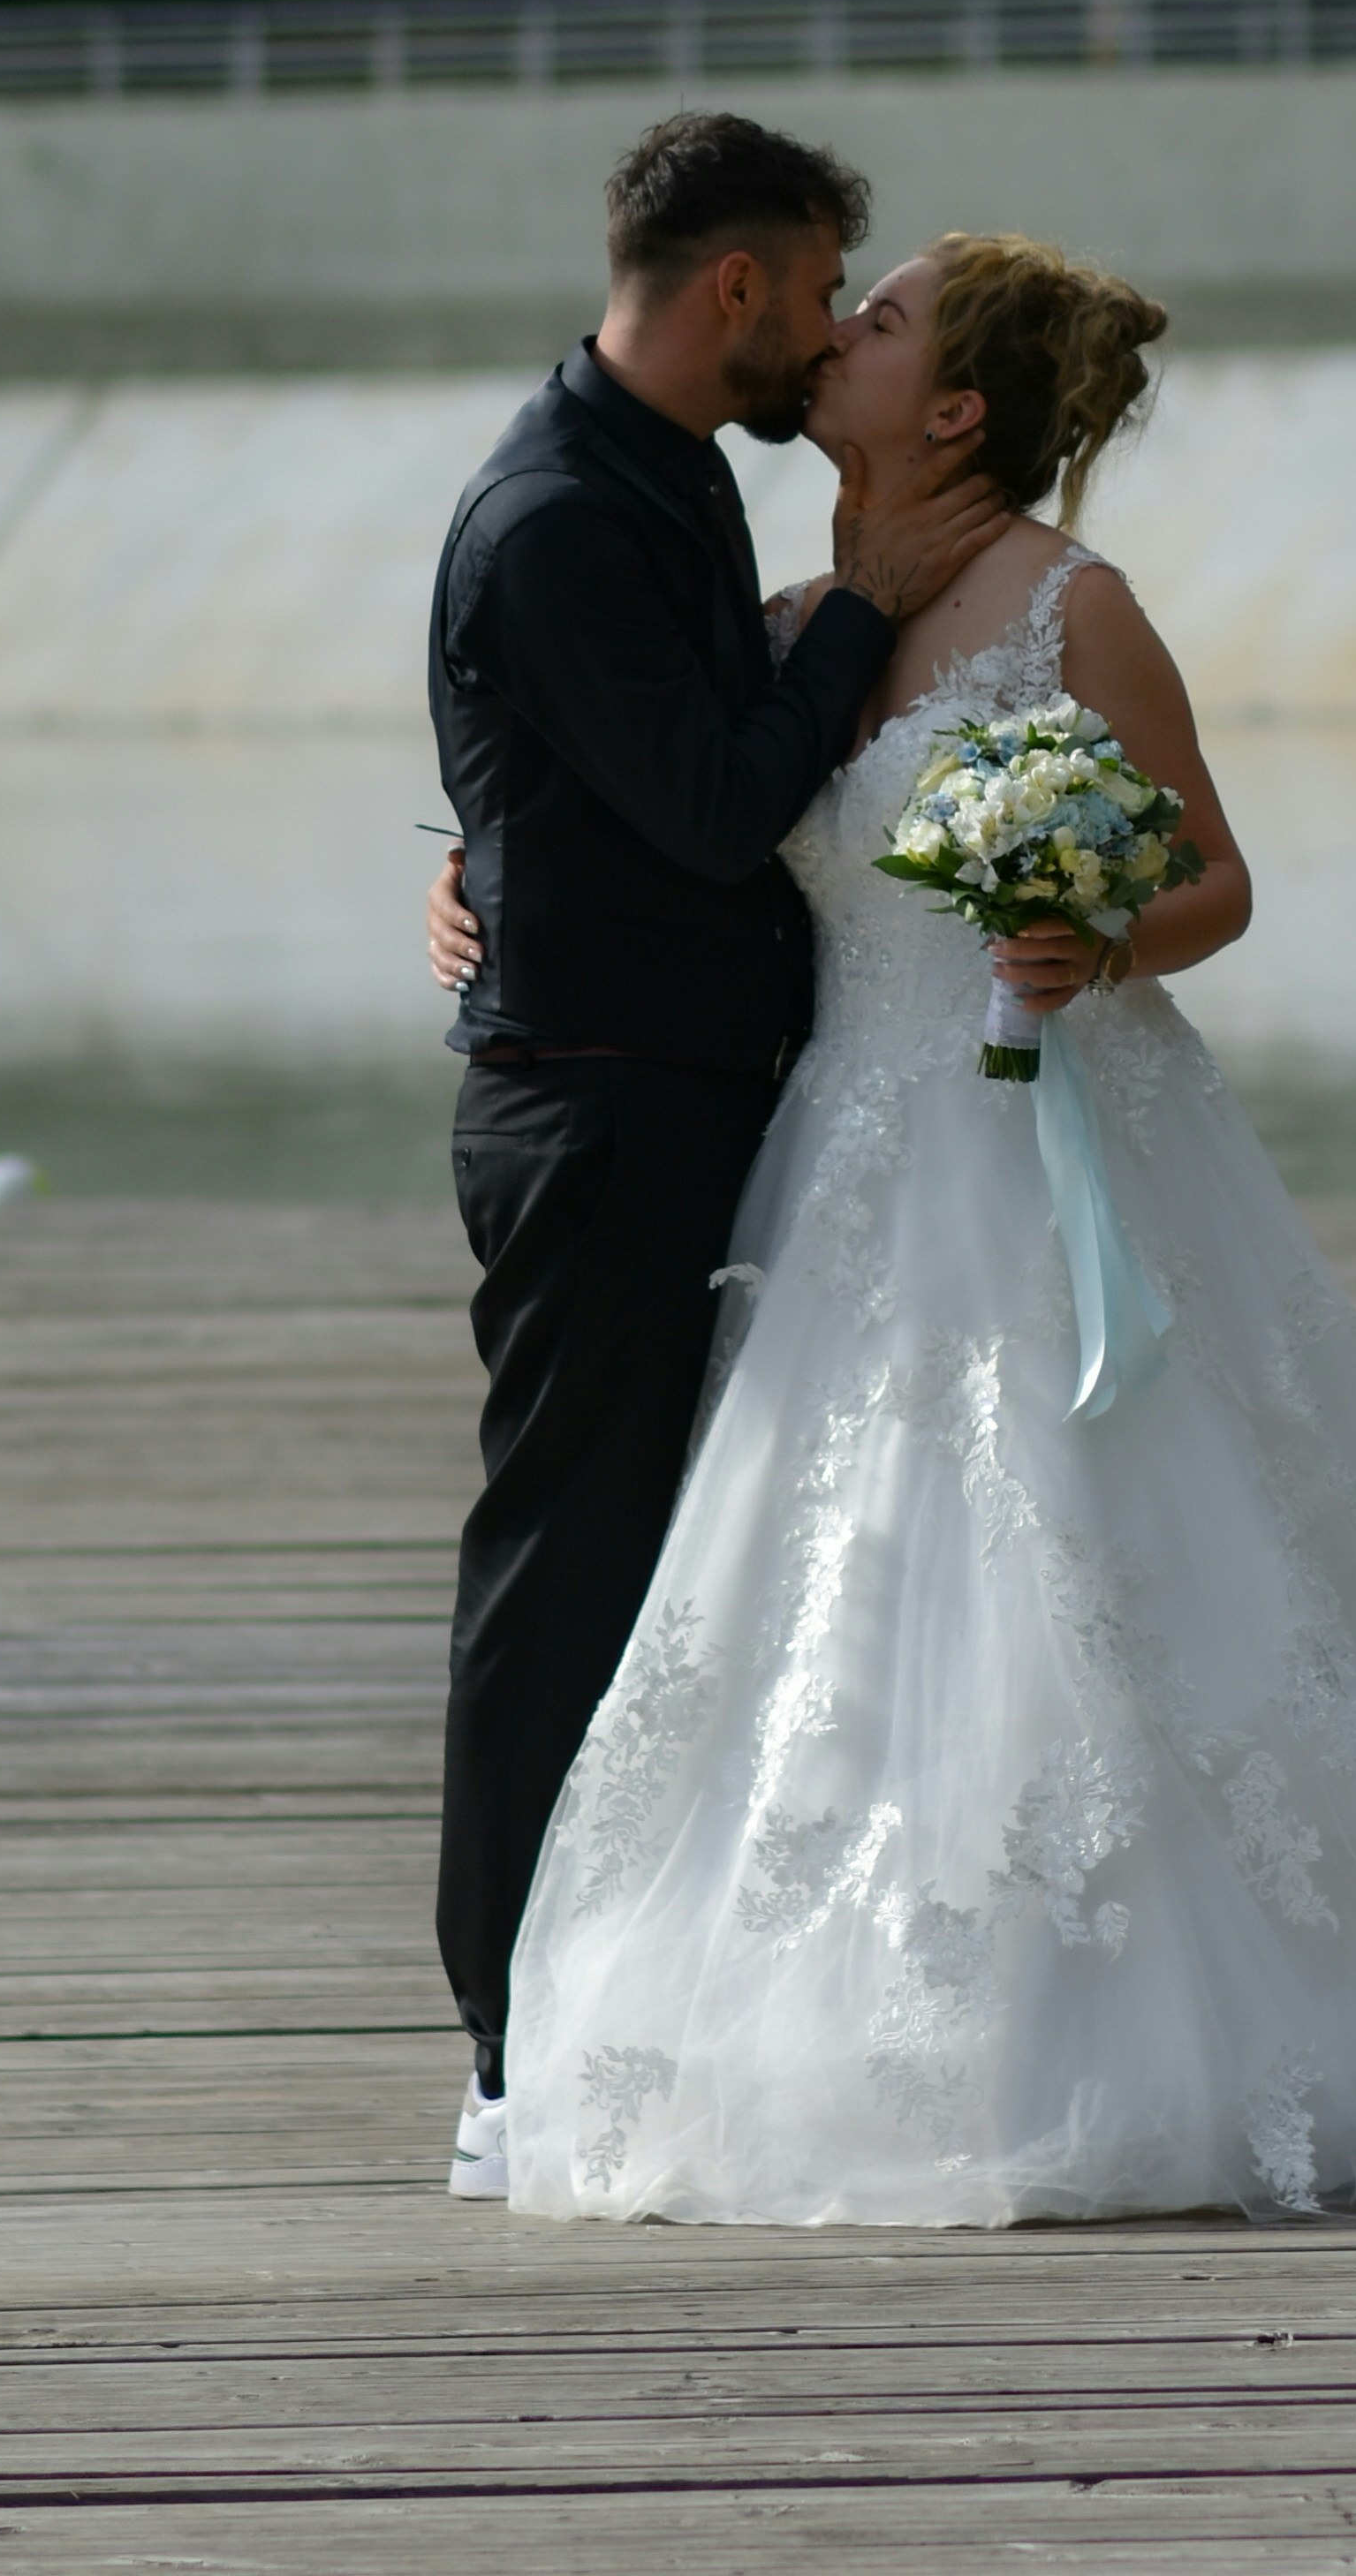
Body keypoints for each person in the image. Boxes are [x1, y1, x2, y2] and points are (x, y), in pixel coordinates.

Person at [435, 234, 1356, 2227]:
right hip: (850, 1160)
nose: (835, 337)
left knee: (1099, 1545)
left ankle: (1173, 2023)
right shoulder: (794, 626)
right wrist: (473, 892)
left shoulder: (1073, 608)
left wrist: (1102, 931)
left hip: (1053, 1134)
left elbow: (1216, 874)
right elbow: (656, 814)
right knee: (856, 1581)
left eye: (876, 325)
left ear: (953, 407)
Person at [424, 112, 1008, 2200]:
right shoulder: (558, 512)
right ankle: (505, 2044)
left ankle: (627, 1988)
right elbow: (704, 800)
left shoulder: (651, 475)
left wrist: (477, 866)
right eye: (818, 294)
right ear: (735, 289)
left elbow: (567, 779)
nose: (826, 339)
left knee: (693, 1569)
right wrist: (861, 609)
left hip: (704, 1090)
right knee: (568, 1561)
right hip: (601, 1109)